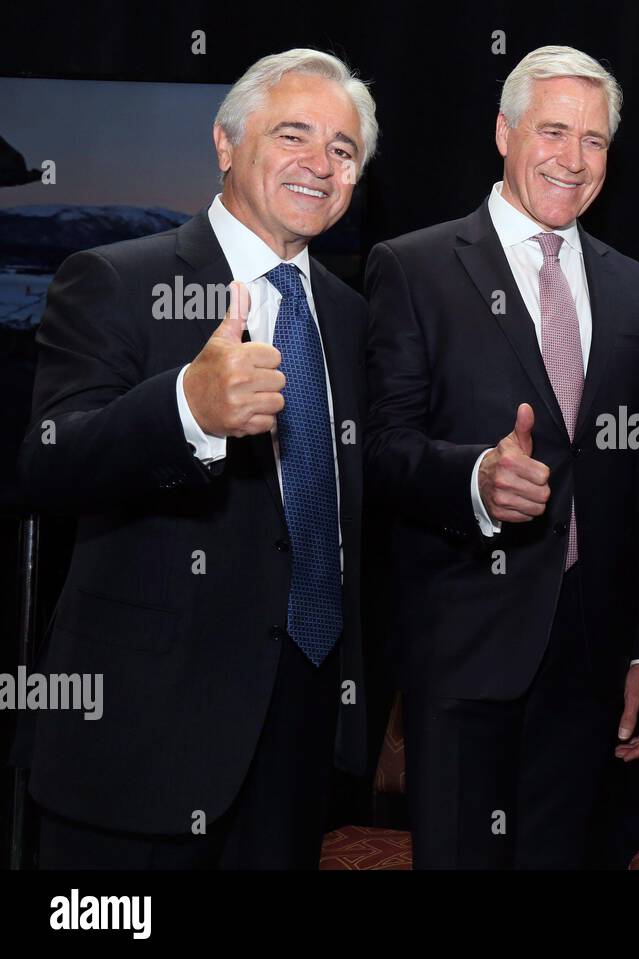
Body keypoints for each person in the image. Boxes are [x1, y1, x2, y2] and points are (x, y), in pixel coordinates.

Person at [16, 48, 378, 868]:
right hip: (138, 745)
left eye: (343, 150)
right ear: (225, 144)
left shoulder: (352, 316)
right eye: (294, 135)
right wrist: (187, 408)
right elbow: (48, 463)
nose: (320, 166)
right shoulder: (114, 277)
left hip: (297, 735)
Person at [364, 45, 639, 868]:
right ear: (504, 132)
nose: (573, 160)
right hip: (462, 651)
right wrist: (473, 478)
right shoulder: (415, 266)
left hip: (592, 664)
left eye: (596, 140)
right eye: (554, 132)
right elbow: (383, 449)